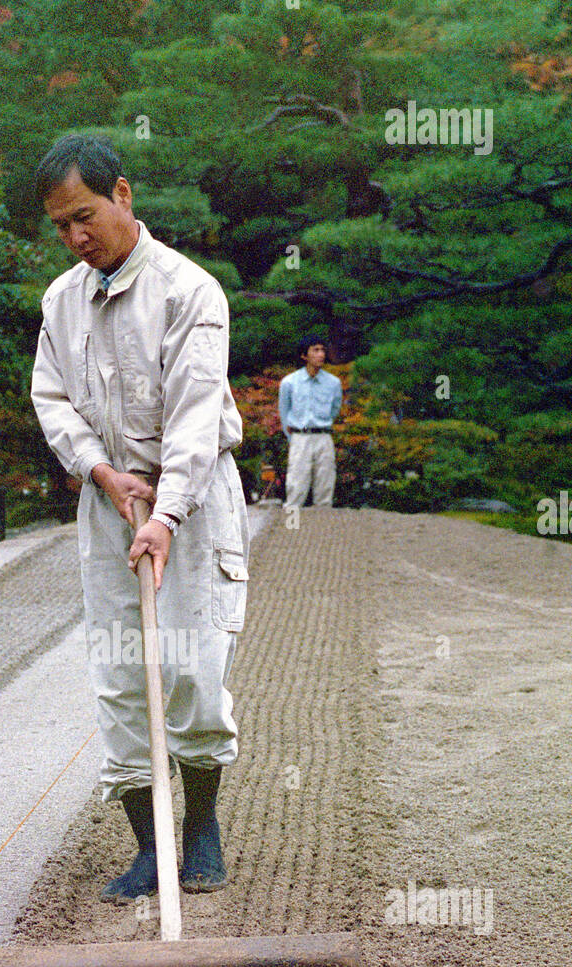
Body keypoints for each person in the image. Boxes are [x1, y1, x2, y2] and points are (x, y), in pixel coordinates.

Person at [30, 134, 249, 903]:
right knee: (122, 674)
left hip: (190, 506)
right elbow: (51, 400)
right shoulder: (61, 301)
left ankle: (200, 832)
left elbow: (194, 417)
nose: (75, 237)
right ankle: (148, 847)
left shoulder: (191, 291)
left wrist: (166, 511)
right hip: (108, 505)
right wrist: (101, 472)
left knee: (190, 666)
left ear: (122, 194)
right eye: (60, 226)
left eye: (84, 216)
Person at [278, 335, 343, 509]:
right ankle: (290, 531)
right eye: (315, 350)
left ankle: (320, 532)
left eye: (322, 350)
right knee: (296, 487)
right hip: (300, 437)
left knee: (325, 486)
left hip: (324, 437)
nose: (321, 354)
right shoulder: (289, 383)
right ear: (304, 355)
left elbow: (335, 409)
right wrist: (292, 438)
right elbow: (284, 412)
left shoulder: (333, 383)